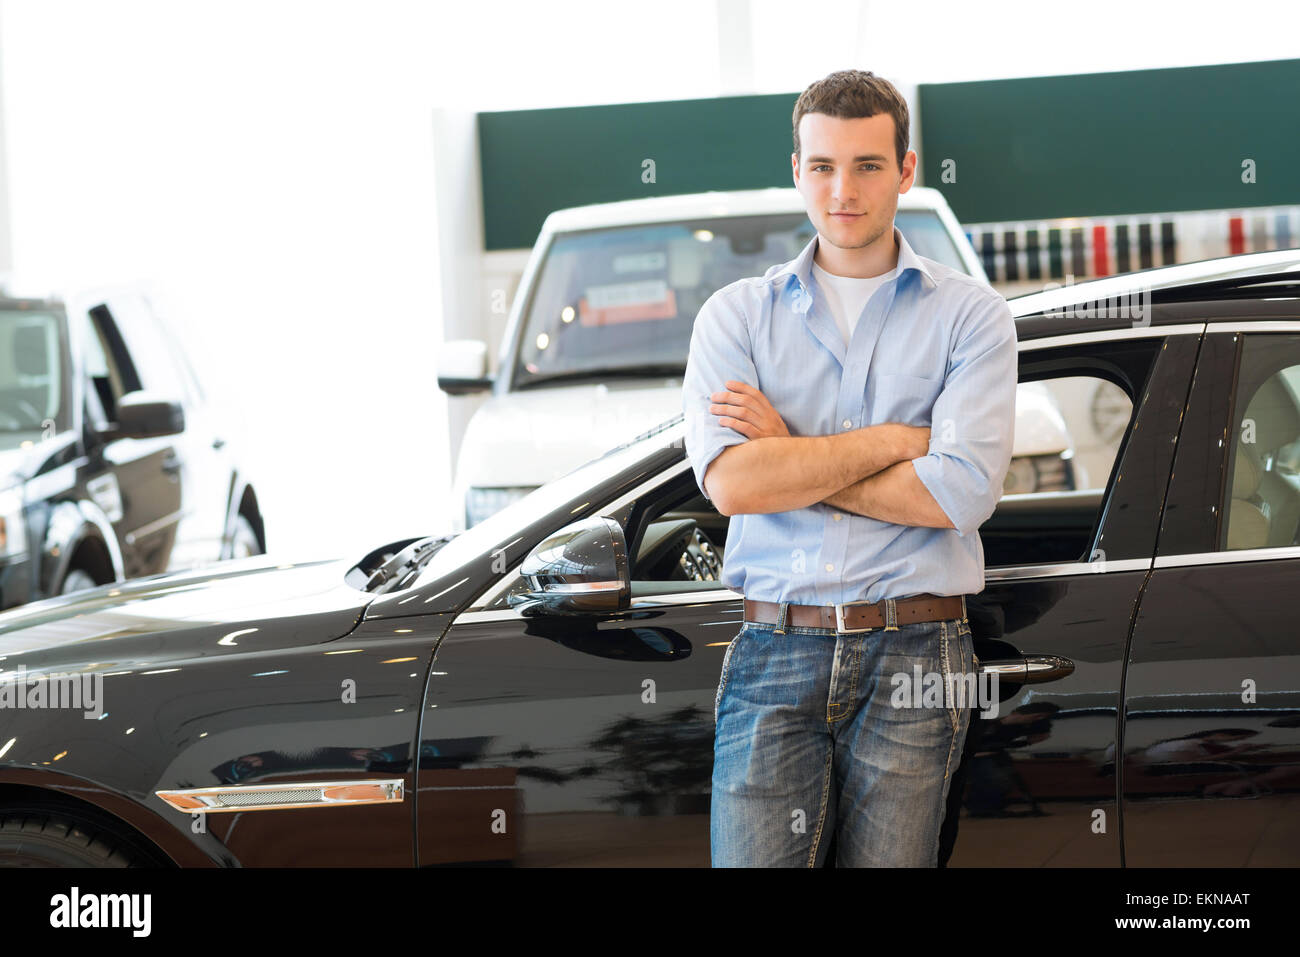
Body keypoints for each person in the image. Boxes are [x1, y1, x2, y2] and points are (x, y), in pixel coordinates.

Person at [683, 69, 1018, 867]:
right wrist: (899, 440)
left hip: (918, 649)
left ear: (905, 170)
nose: (844, 189)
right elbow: (732, 483)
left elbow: (961, 491)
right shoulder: (736, 317)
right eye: (824, 166)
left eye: (868, 165)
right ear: (797, 170)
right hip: (774, 646)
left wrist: (788, 451)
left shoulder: (971, 316)